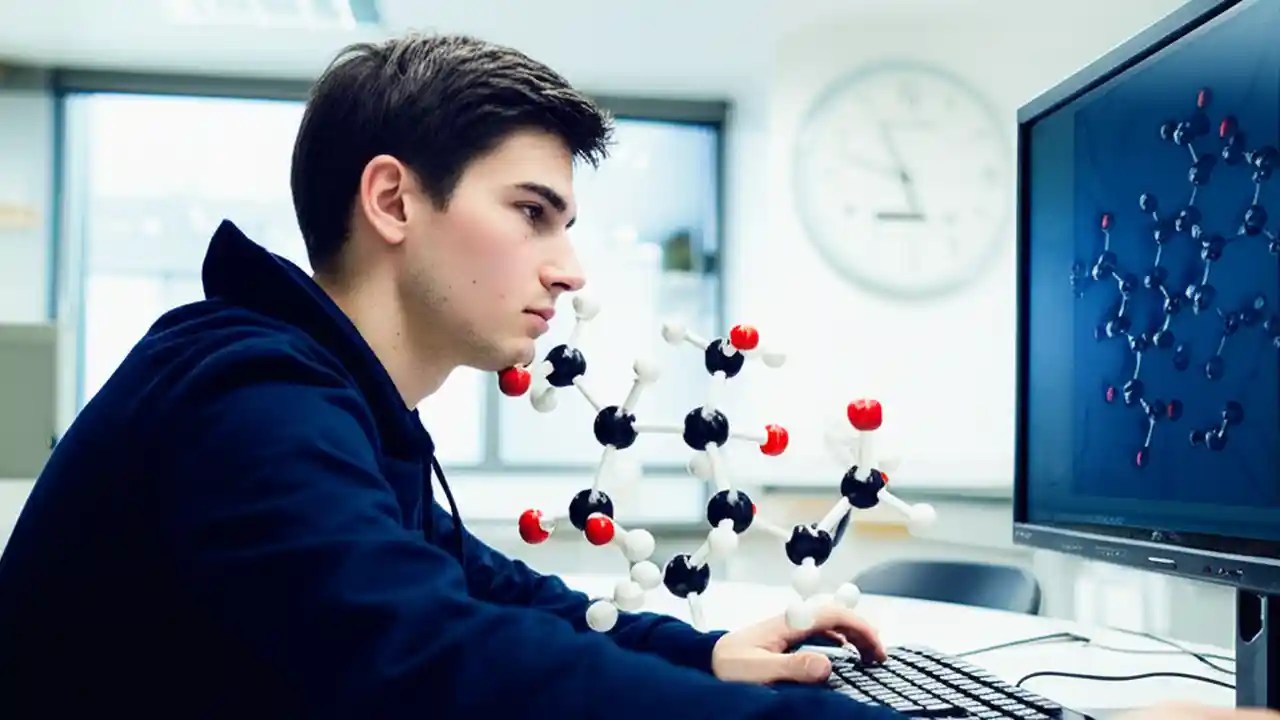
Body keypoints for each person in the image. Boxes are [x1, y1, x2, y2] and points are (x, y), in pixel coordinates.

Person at [0, 32, 1272, 720]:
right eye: (535, 212)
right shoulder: (246, 399)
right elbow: (439, 666)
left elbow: (472, 586)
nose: (568, 271)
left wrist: (702, 653)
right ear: (392, 197)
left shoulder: (312, 402)